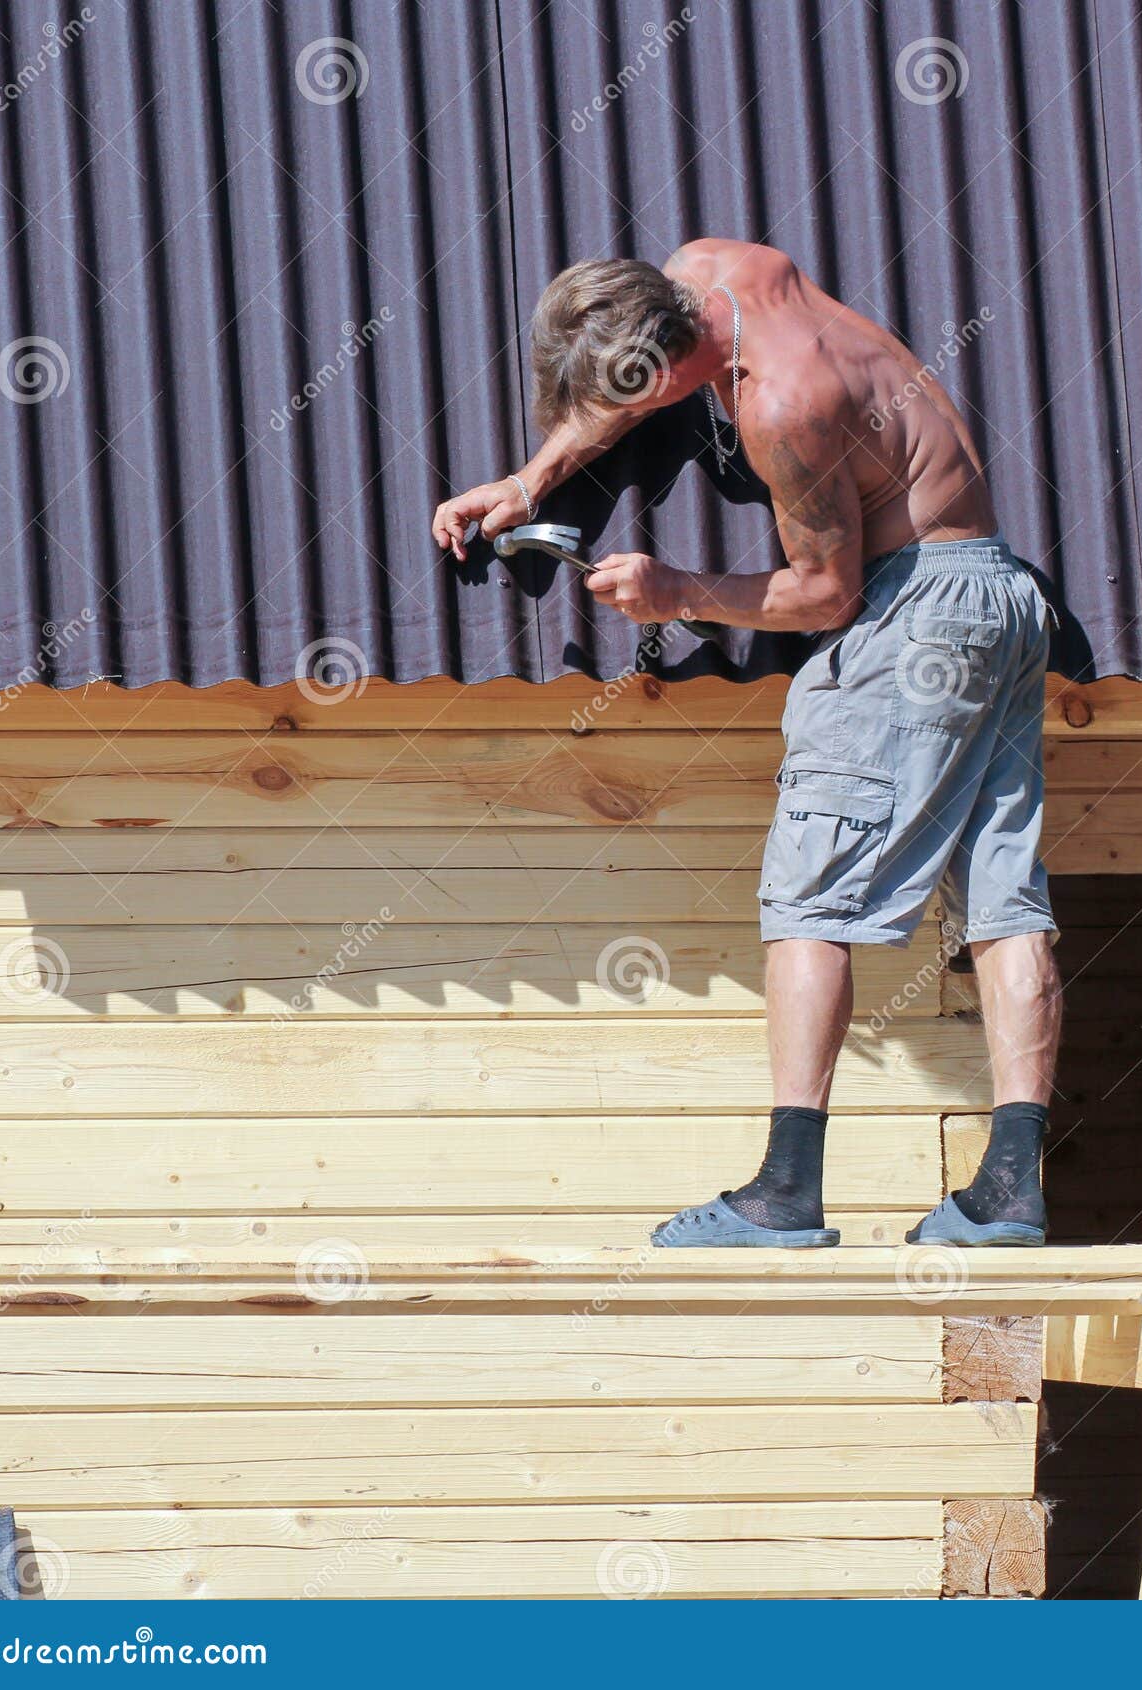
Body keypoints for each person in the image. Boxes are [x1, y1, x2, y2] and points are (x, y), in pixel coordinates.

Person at [433, 238, 1062, 1247]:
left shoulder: (783, 407)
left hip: (916, 621)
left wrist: (676, 591)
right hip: (1002, 596)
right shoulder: (717, 265)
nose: (632, 412)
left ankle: (785, 1194)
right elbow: (630, 378)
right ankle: (1010, 1195)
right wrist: (531, 478)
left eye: (635, 393)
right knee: (1002, 898)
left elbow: (826, 594)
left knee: (808, 894)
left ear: (665, 372)